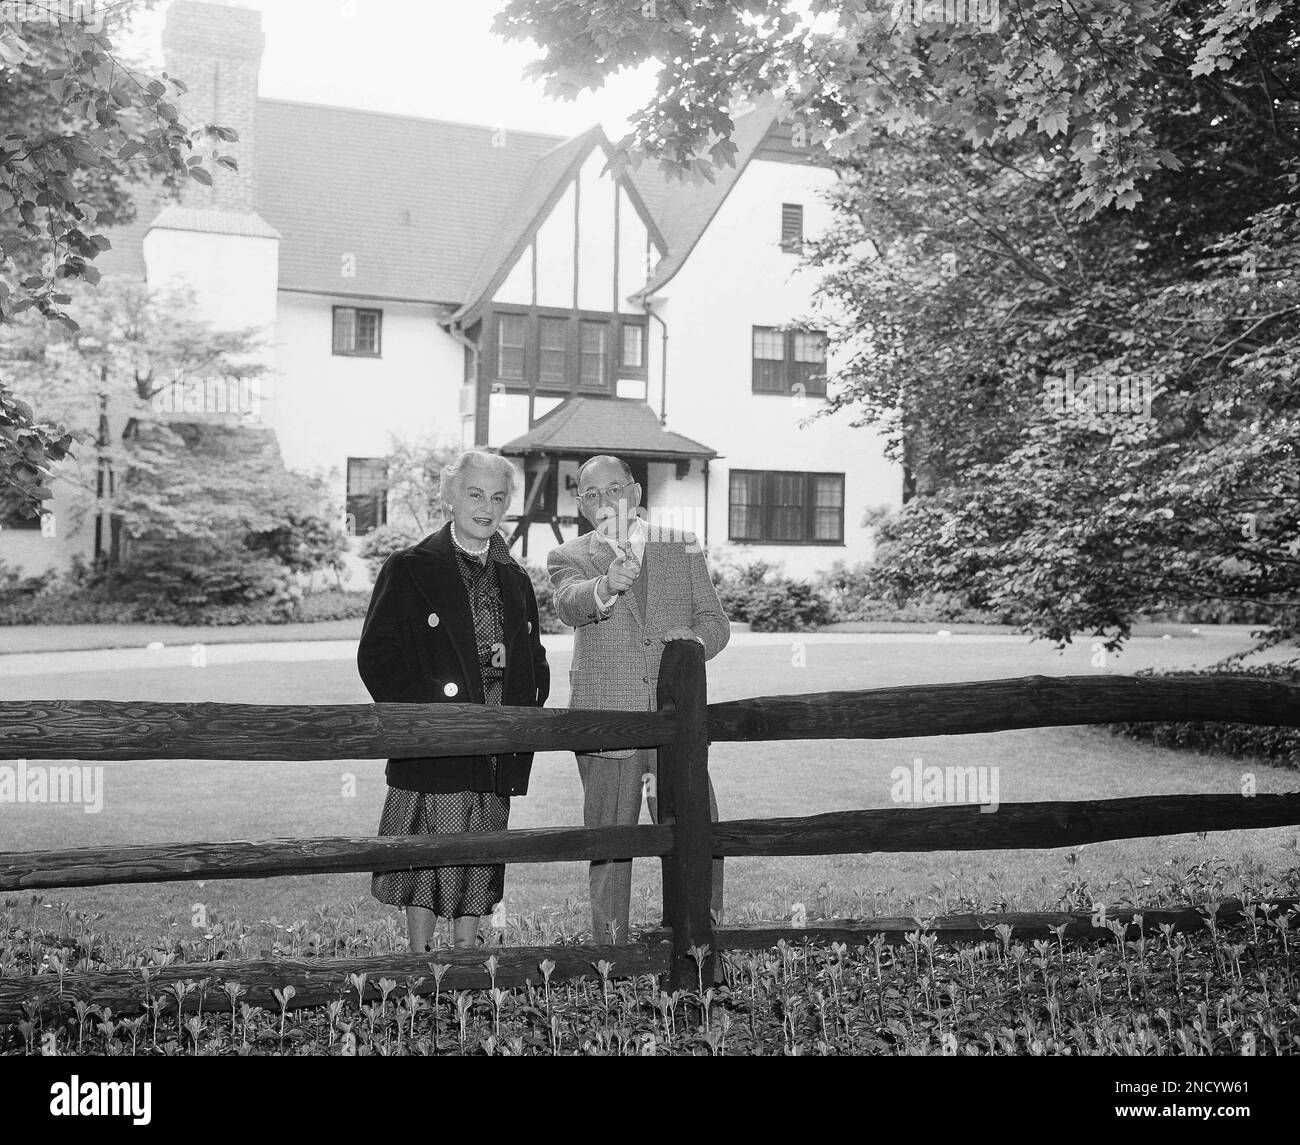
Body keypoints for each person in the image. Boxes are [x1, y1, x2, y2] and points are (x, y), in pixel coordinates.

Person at [358, 449, 549, 951]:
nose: (487, 507)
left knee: (479, 853)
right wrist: (426, 721)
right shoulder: (409, 568)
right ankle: (419, 962)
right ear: (449, 496)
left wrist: (520, 707)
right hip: (435, 742)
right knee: (428, 856)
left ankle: (466, 958)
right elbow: (377, 658)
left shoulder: (516, 577)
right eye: (475, 494)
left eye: (498, 497)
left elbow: (535, 658)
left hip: (493, 746)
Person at [547, 454, 729, 944]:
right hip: (609, 723)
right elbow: (569, 604)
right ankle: (613, 956)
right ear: (580, 505)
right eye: (590, 494)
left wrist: (690, 645)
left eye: (614, 490)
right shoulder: (568, 556)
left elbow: (716, 623)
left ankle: (698, 941)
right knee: (610, 844)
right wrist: (604, 586)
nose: (604, 502)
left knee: (699, 835)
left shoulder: (682, 546)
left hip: (677, 725)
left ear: (635, 493)